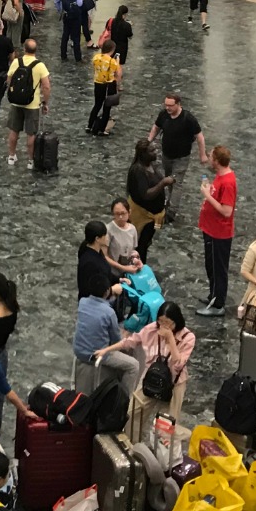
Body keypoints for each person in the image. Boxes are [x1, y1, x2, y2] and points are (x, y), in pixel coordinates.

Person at [112, 302, 196, 443]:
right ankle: (133, 444)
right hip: (152, 378)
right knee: (132, 412)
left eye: (167, 323)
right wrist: (108, 349)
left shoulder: (188, 337)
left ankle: (171, 444)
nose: (163, 326)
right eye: (160, 321)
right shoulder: (151, 329)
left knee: (166, 426)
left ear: (176, 321)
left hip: (174, 383)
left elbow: (178, 364)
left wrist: (170, 339)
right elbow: (132, 341)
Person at [74, 272, 141, 402]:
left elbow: (99, 308)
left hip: (80, 351)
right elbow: (116, 340)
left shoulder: (83, 302)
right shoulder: (109, 313)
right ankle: (123, 401)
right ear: (107, 291)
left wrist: (112, 296)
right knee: (134, 365)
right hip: (98, 355)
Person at [145, 93, 208, 219]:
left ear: (178, 104)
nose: (167, 108)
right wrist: (148, 141)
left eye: (170, 105)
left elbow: (200, 137)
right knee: (169, 179)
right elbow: (156, 127)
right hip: (167, 155)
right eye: (166, 105)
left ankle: (171, 212)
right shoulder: (164, 114)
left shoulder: (188, 118)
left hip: (181, 157)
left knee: (176, 182)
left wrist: (203, 155)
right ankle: (170, 201)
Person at [195, 145, 237, 317]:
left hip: (218, 232)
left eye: (211, 156)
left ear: (217, 161)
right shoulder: (221, 176)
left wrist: (207, 196)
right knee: (211, 265)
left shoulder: (227, 182)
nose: (209, 158)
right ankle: (213, 295)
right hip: (211, 229)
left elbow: (226, 211)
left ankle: (218, 303)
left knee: (218, 268)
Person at [5, 40, 50, 168]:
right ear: (36, 50)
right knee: (31, 133)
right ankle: (31, 161)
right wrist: (45, 102)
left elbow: (9, 80)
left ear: (24, 49)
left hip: (16, 103)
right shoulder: (40, 66)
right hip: (32, 104)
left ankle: (11, 156)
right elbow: (46, 86)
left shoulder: (16, 62)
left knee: (14, 130)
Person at [125, 139, 171, 263]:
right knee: (140, 244)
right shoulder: (138, 170)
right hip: (142, 215)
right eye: (152, 151)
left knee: (145, 242)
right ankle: (138, 266)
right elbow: (145, 194)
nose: (156, 152)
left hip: (152, 217)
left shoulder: (150, 165)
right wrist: (163, 183)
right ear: (143, 154)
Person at [87, 40, 121, 136]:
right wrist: (117, 62)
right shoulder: (112, 62)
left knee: (97, 105)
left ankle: (90, 125)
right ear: (112, 49)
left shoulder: (96, 58)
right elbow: (118, 74)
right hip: (109, 85)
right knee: (107, 108)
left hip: (98, 84)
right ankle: (102, 129)